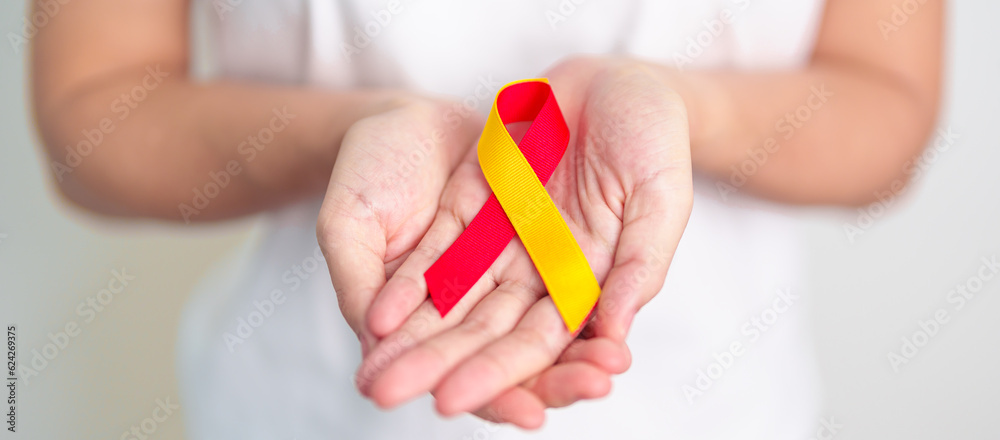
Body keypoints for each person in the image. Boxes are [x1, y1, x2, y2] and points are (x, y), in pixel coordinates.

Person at [31, 0, 942, 438]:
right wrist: (345, 132)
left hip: (722, 408)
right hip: (301, 403)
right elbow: (91, 115)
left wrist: (684, 109)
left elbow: (889, 106)